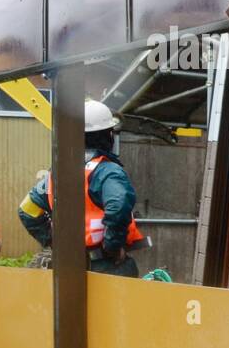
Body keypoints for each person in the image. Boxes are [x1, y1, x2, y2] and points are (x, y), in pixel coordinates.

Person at [19, 99, 144, 277]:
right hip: (105, 266)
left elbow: (26, 211)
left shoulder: (57, 173)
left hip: (66, 268)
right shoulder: (107, 171)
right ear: (109, 135)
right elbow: (118, 206)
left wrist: (54, 242)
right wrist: (113, 247)